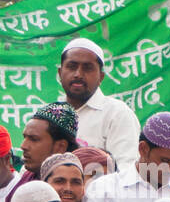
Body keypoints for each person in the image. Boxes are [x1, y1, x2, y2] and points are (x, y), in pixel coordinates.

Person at [56, 37, 140, 171]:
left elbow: (126, 170)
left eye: (87, 68)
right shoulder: (52, 114)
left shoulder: (117, 114)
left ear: (101, 77)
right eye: (72, 67)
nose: (78, 74)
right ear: (60, 73)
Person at [7, 102, 79, 202]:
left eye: (34, 139)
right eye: (25, 137)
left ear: (60, 147)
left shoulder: (71, 193)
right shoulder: (26, 178)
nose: (23, 146)